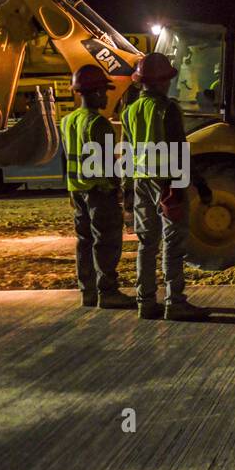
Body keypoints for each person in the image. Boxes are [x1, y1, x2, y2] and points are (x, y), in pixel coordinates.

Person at [121, 52, 210, 321]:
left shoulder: (130, 111)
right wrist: (200, 184)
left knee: (147, 243)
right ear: (161, 82)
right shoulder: (166, 109)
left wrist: (126, 190)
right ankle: (174, 302)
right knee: (172, 243)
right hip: (168, 184)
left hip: (140, 182)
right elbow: (179, 150)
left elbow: (126, 152)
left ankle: (145, 302)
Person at [58, 65, 134, 309]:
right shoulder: (98, 124)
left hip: (77, 191)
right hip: (100, 193)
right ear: (91, 92)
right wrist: (118, 190)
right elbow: (106, 164)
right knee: (107, 242)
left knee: (85, 241)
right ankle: (108, 292)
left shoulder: (67, 121)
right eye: (103, 91)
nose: (105, 96)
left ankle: (88, 292)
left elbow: (69, 158)